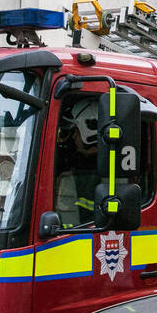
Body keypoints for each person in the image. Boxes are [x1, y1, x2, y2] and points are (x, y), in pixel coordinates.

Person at [54, 97, 100, 227]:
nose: (73, 136)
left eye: (76, 131)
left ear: (91, 128)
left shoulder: (99, 172)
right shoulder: (79, 163)